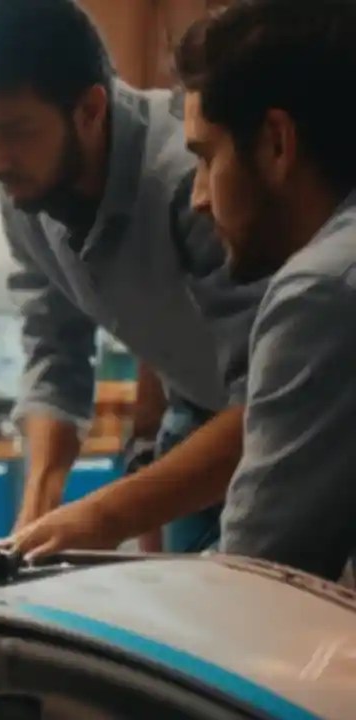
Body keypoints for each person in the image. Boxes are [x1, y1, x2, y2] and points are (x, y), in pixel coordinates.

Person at [0, 0, 262, 558]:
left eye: (14, 131)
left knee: (252, 607)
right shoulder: (23, 187)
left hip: (277, 415)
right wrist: (38, 505)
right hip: (197, 406)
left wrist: (103, 515)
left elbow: (273, 396)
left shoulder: (191, 179)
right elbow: (53, 349)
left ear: (90, 108)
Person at [176, 0, 356, 580]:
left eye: (207, 158)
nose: (198, 197)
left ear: (276, 144)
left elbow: (253, 582)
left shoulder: (322, 292)